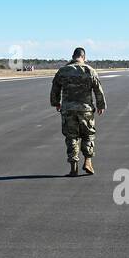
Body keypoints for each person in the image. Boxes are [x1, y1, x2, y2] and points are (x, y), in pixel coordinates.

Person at [49, 47, 106, 176]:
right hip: (85, 110)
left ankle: (73, 167)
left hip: (68, 109)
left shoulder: (63, 71)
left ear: (73, 56)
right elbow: (98, 90)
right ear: (83, 57)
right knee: (88, 135)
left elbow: (55, 89)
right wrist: (101, 105)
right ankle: (88, 161)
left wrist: (56, 103)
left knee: (71, 137)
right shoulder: (89, 70)